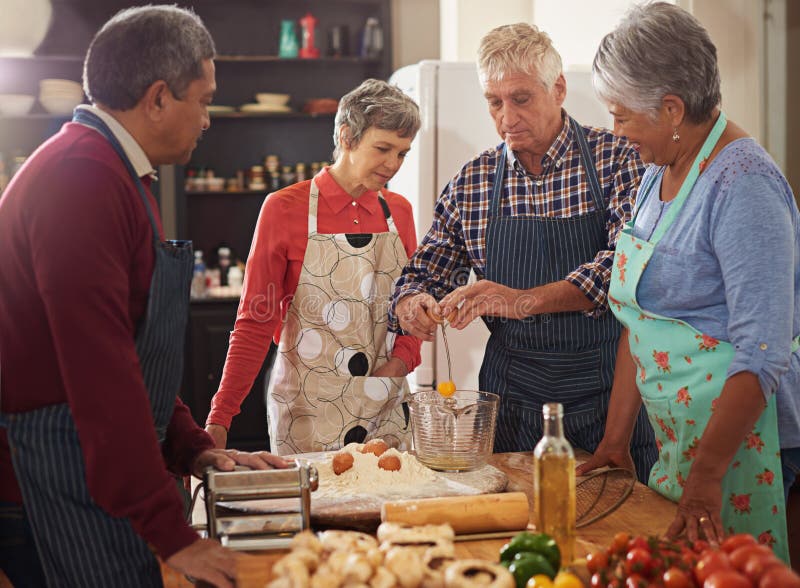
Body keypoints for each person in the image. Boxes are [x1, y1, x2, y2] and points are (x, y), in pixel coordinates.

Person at [0, 6, 288, 587]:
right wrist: (172, 534)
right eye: (203, 101)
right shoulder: (82, 178)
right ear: (158, 98)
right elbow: (99, 370)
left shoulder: (113, 171)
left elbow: (131, 354)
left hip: (91, 468)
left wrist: (192, 448)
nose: (206, 120)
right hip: (55, 477)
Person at [576, 2, 800, 562]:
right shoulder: (656, 173)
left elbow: (763, 349)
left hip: (745, 447)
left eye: (622, 116)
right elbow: (639, 320)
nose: (615, 130)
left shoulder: (745, 185)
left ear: (672, 108)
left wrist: (707, 475)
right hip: (681, 440)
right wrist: (615, 441)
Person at [391, 23, 657, 481]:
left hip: (608, 399)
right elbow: (423, 274)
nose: (507, 117)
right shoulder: (473, 183)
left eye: (521, 98)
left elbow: (623, 266)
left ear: (558, 89)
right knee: (516, 518)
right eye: (494, 102)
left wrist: (521, 300)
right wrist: (413, 303)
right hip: (512, 406)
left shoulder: (618, 159)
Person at [205, 79, 422, 456]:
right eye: (383, 148)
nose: (393, 164)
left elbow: (412, 309)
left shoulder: (398, 212)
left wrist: (400, 363)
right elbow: (255, 322)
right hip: (307, 412)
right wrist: (220, 417)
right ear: (347, 137)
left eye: (402, 153)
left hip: (384, 406)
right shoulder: (284, 209)